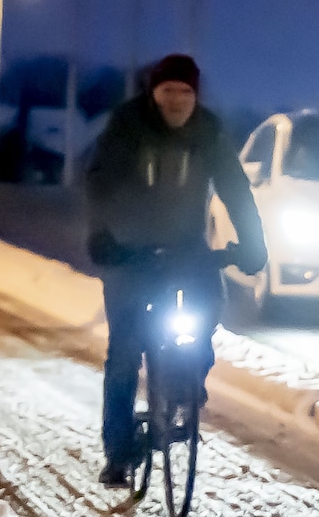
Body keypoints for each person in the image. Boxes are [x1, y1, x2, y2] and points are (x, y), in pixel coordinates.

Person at [83, 53, 266, 488]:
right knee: (125, 353)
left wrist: (254, 243)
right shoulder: (128, 126)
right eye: (168, 91)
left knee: (207, 309)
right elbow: (100, 181)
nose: (177, 101)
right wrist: (102, 234)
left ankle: (188, 379)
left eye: (185, 92)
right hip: (130, 253)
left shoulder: (207, 131)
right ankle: (118, 453)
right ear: (153, 92)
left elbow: (234, 188)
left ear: (195, 95)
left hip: (186, 249)